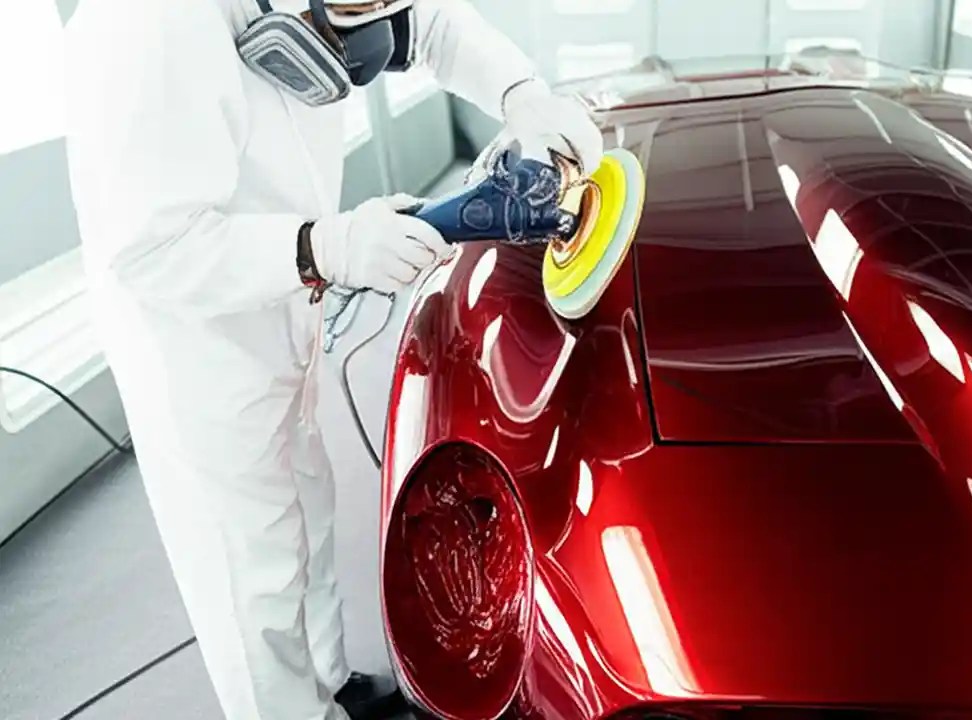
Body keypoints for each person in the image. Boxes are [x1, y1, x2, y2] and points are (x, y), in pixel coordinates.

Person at [62, 1, 603, 718]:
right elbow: (152, 250)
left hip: (287, 296)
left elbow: (426, 24)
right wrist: (325, 247)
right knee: (253, 567)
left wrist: (522, 93)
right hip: (200, 344)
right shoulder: (148, 25)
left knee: (309, 498)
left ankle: (331, 681)